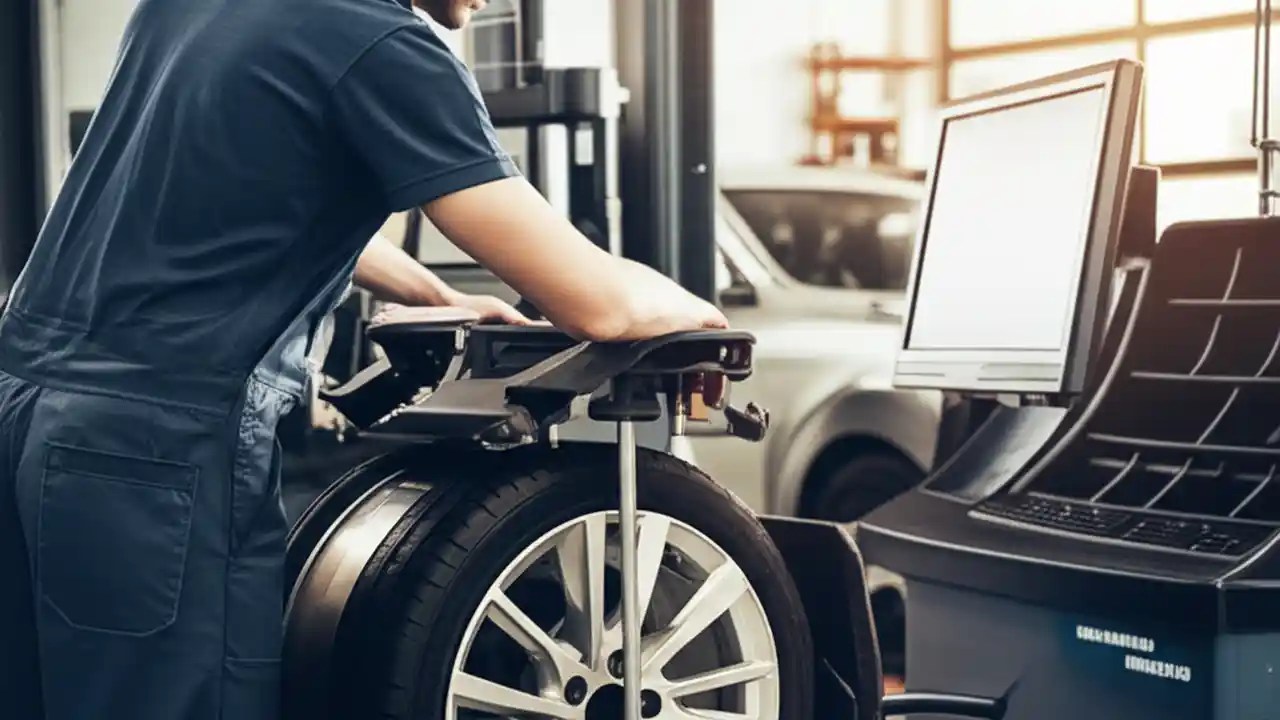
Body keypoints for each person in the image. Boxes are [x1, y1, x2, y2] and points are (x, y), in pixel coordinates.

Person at [0, 0, 727, 718]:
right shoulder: (380, 43)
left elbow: (266, 193)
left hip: (30, 416)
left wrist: (434, 291)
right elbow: (596, 303)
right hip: (151, 453)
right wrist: (699, 317)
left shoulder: (187, 9)